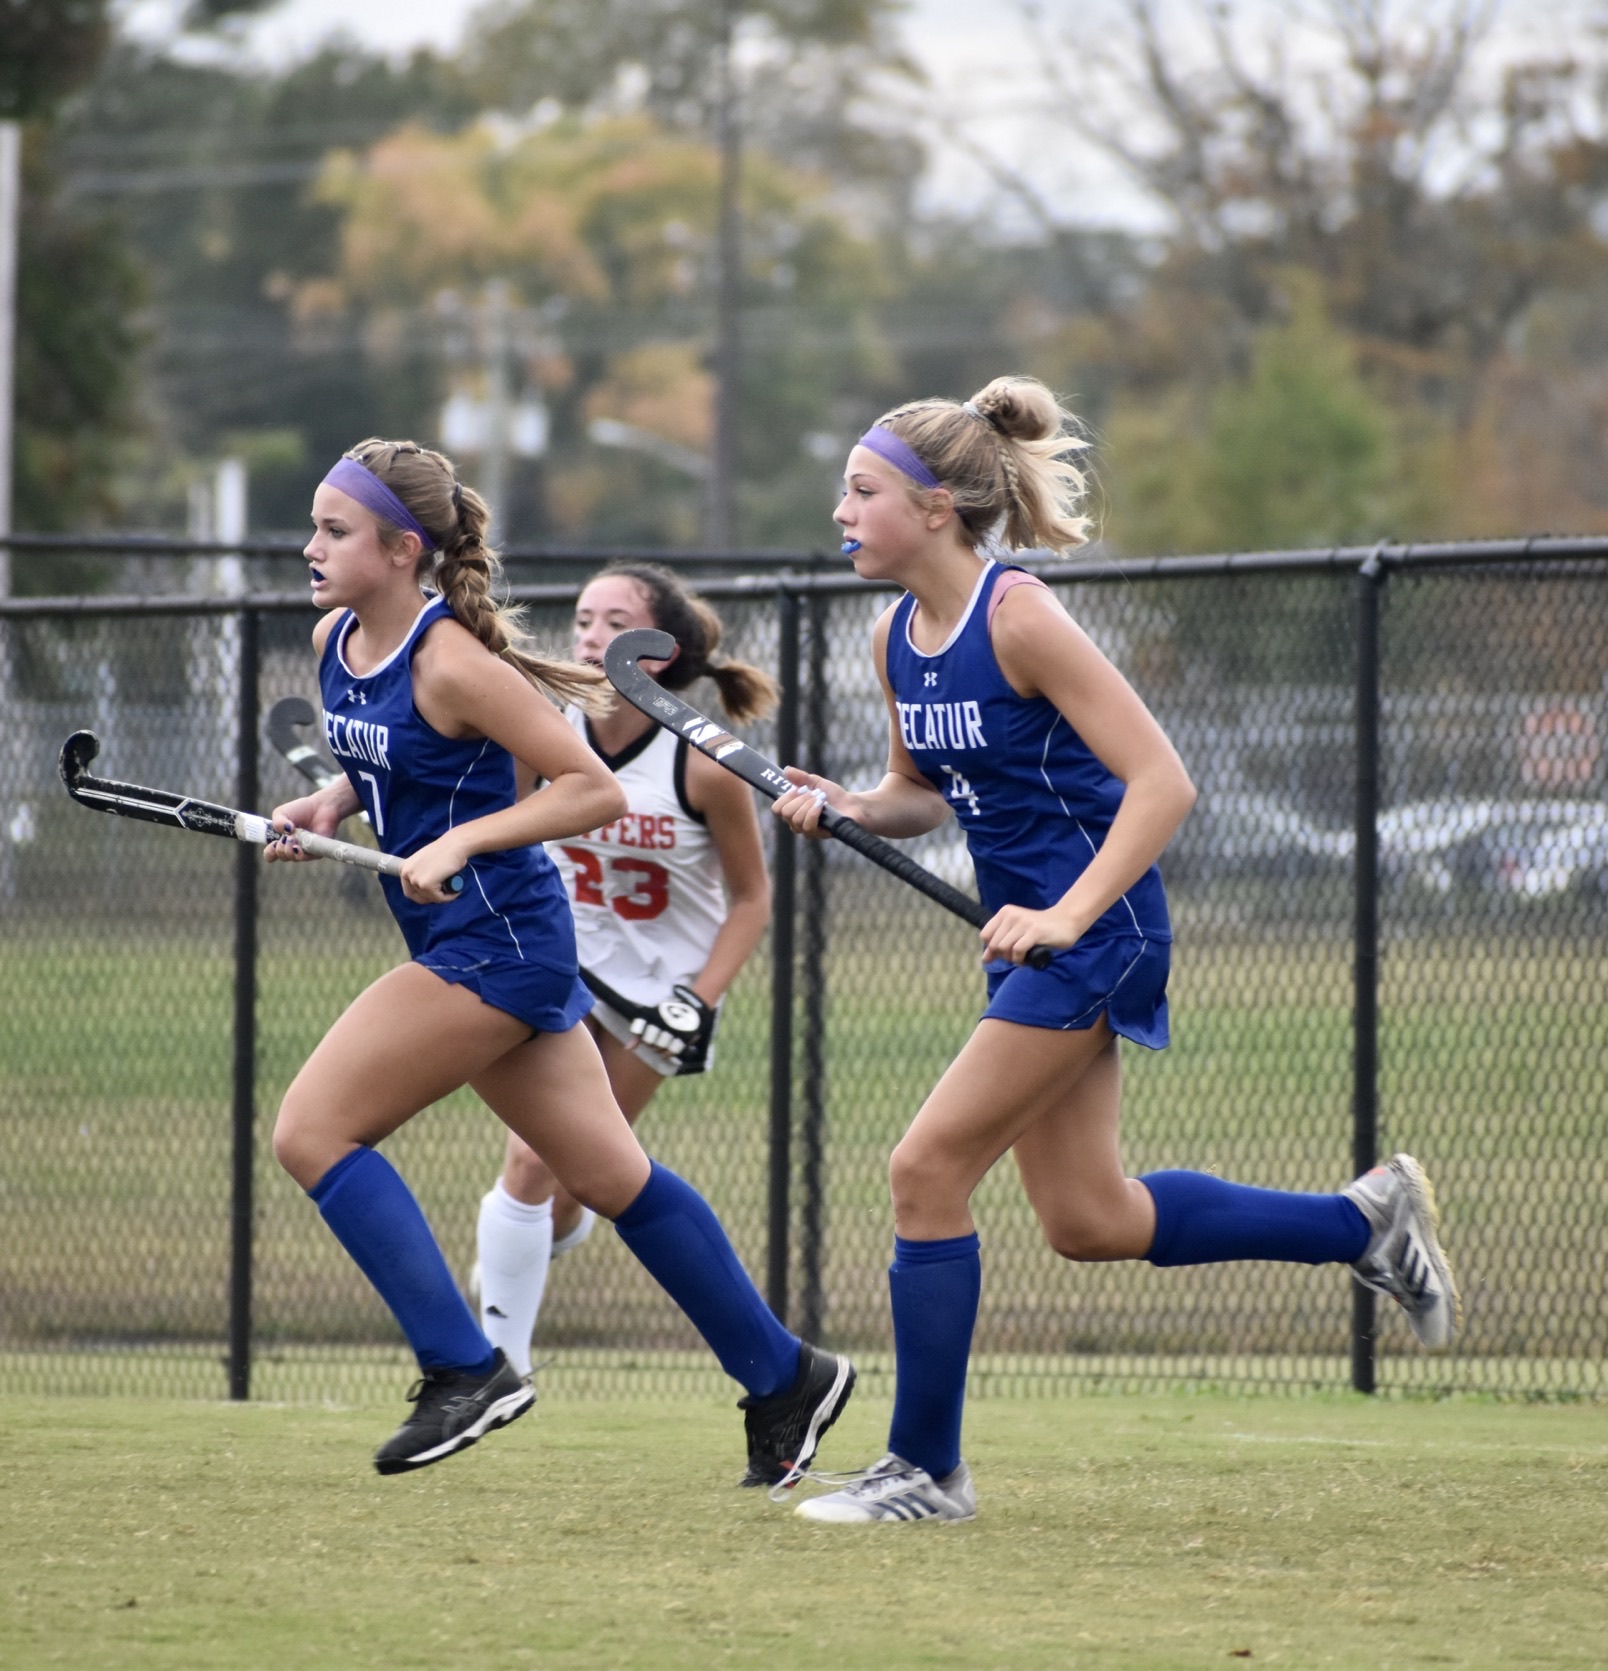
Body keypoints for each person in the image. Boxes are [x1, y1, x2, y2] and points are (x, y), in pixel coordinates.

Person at [769, 377, 1458, 1525]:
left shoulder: (1018, 616)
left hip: (1100, 932)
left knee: (922, 1171)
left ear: (935, 507)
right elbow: (915, 796)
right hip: (1032, 946)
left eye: (861, 490)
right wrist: (841, 803)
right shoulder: (897, 635)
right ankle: (1364, 1221)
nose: (839, 510)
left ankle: (924, 1472)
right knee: (1089, 1221)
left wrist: (1066, 915)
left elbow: (1162, 783)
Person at [268, 441, 852, 1482]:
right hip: (471, 939)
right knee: (609, 1176)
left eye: (333, 530)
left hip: (497, 942)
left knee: (312, 1131)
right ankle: (785, 1377)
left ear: (404, 551)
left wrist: (464, 840)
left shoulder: (453, 660)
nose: (309, 546)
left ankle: (465, 1368)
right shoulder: (333, 639)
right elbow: (390, 761)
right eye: (314, 527)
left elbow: (591, 790)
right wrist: (325, 804)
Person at [472, 564, 776, 1391]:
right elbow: (506, 825)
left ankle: (531, 1249)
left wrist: (699, 997)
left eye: (614, 621)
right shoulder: (548, 728)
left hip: (660, 988)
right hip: (566, 964)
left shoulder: (702, 763)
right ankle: (496, 1362)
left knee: (577, 1182)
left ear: (657, 648)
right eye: (582, 619)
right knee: (532, 1161)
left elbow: (752, 898)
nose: (591, 635)